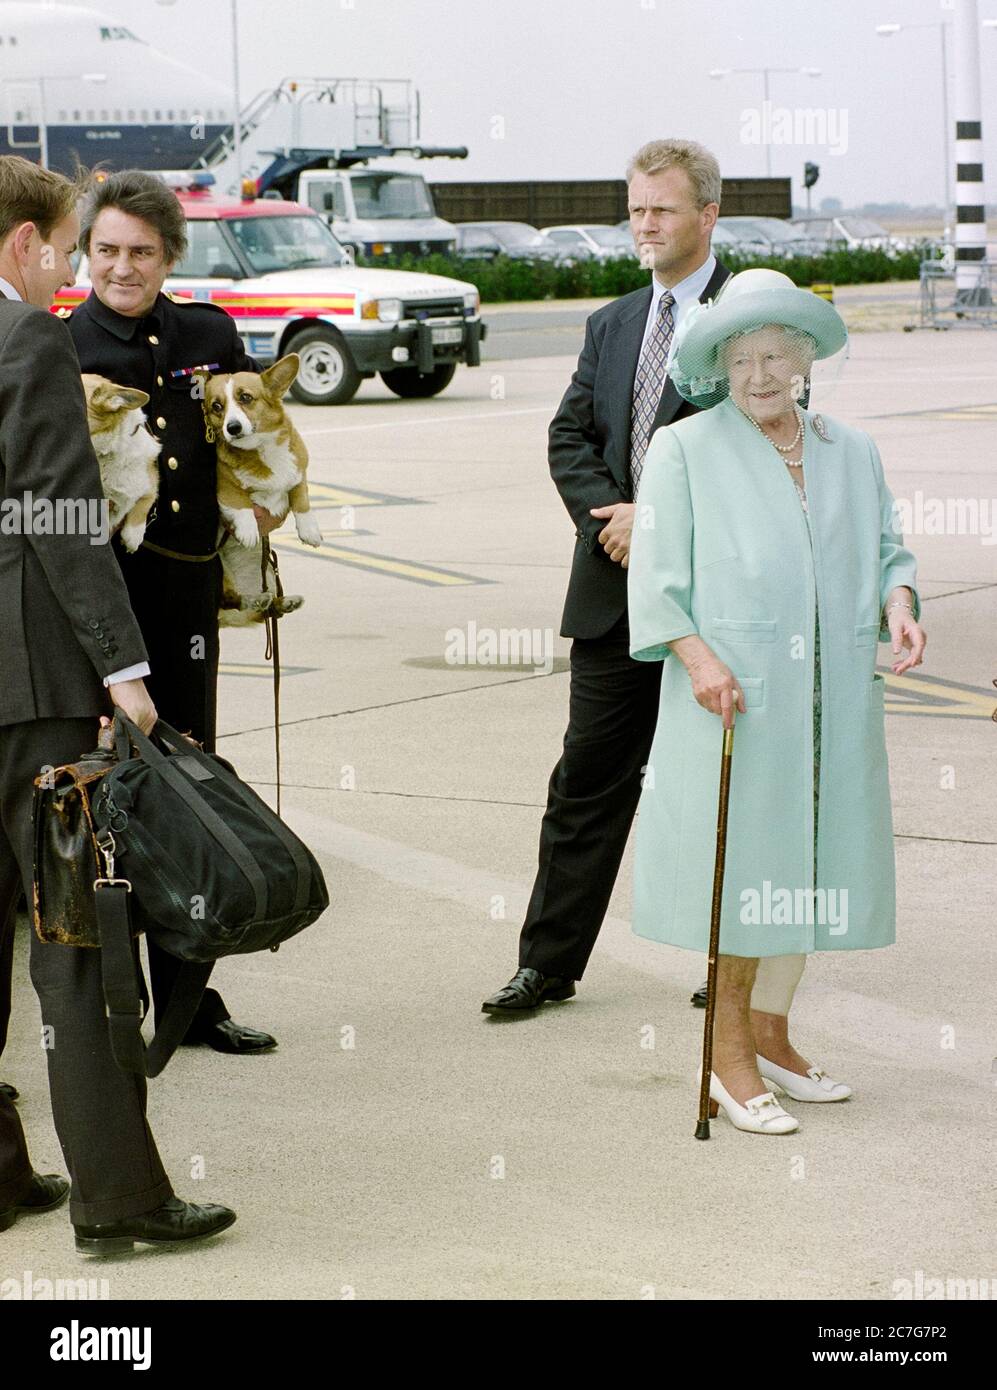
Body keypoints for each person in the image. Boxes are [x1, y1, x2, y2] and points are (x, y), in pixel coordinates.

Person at [626, 268, 927, 1133]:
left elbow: (887, 551)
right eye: (742, 356)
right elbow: (655, 579)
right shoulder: (686, 449)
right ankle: (726, 1061)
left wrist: (897, 605)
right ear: (720, 364)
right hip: (733, 705)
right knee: (745, 884)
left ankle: (772, 1037)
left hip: (830, 710)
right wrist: (694, 657)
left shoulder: (848, 449)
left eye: (774, 355)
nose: (759, 373)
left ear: (801, 359)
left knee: (805, 877)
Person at [0, 153, 234, 1246]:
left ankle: (3, 1172)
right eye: (61, 246)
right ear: (23, 244)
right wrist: (126, 673)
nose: (67, 269)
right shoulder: (29, 338)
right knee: (76, 945)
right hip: (35, 691)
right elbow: (55, 516)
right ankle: (123, 1200)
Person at [482, 140, 732, 1013]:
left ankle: (726, 964)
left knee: (713, 786)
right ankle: (547, 963)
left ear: (706, 215)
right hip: (613, 595)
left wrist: (655, 523)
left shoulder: (748, 320)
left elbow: (755, 450)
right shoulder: (614, 321)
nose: (645, 224)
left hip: (713, 606)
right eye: (634, 210)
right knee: (583, 784)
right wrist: (615, 522)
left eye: (661, 208)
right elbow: (568, 437)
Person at [63, 170, 277, 1055]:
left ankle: (190, 997)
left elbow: (244, 437)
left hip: (186, 594)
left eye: (141, 252)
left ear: (169, 256)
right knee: (107, 799)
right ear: (84, 253)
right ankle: (111, 999)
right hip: (101, 605)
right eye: (106, 250)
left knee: (190, 786)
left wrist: (263, 504)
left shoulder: (208, 332)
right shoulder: (58, 342)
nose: (123, 267)